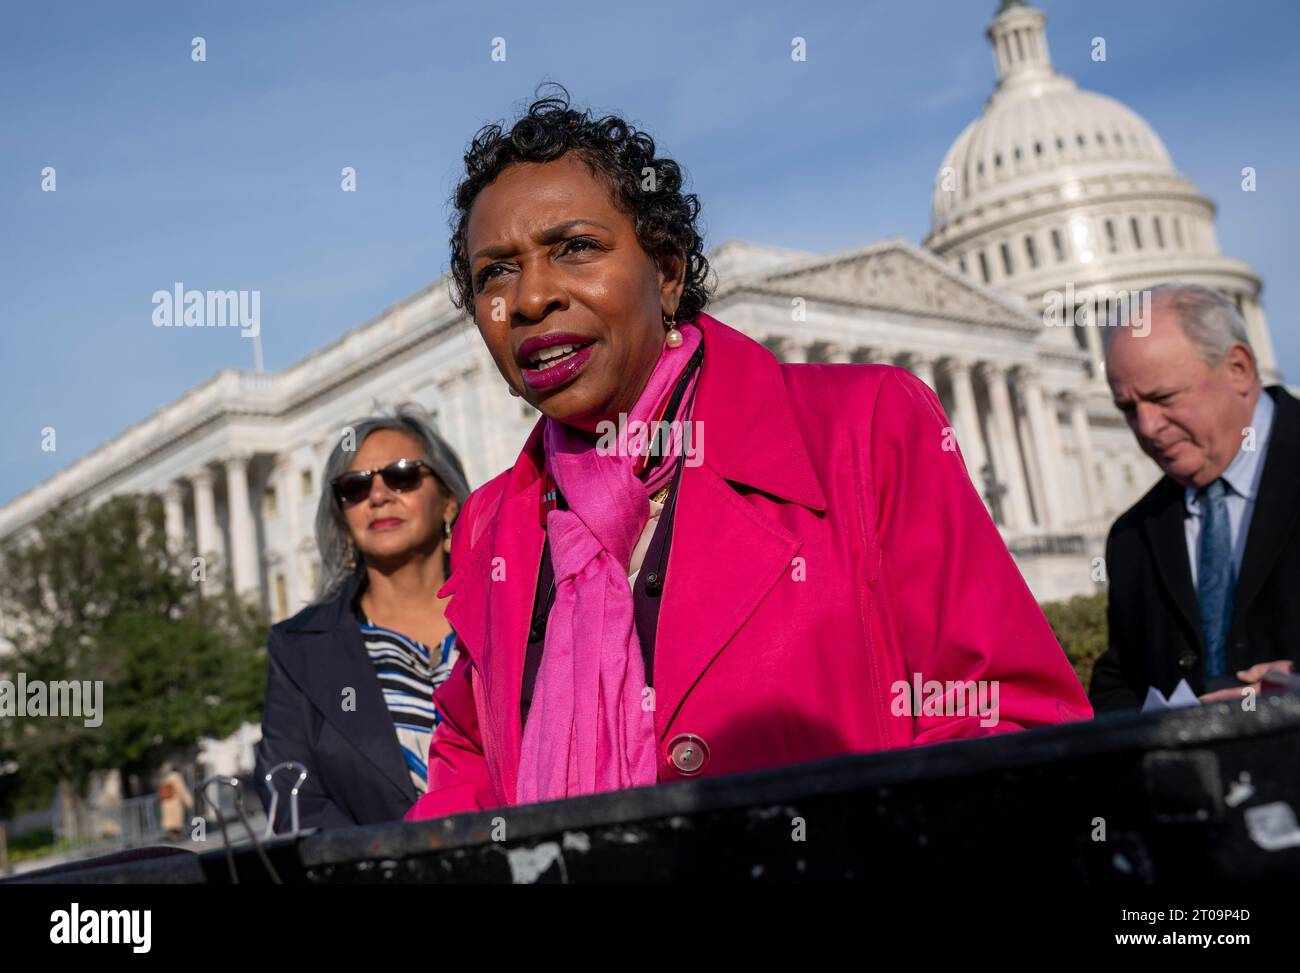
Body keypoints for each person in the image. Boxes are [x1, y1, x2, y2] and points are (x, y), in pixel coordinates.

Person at [406, 85, 1090, 820]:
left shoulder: (862, 427)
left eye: (575, 247)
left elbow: (1006, 726)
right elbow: (470, 769)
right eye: (495, 273)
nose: (531, 296)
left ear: (666, 272)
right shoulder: (492, 522)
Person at [254, 405, 470, 830]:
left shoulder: (511, 606)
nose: (378, 496)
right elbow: (292, 799)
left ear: (447, 499)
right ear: (342, 519)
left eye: (402, 475)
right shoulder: (301, 648)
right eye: (354, 487)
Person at [1090, 284, 1299, 711]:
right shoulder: (1133, 537)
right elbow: (1122, 681)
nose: (1147, 427)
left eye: (1163, 398)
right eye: (1128, 408)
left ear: (1238, 369)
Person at [157, 764, 193, 843]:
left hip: (166, 803)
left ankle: (173, 837)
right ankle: (176, 838)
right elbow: (181, 790)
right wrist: (188, 801)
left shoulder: (165, 778)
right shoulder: (176, 777)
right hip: (174, 803)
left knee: (170, 824)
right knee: (176, 823)